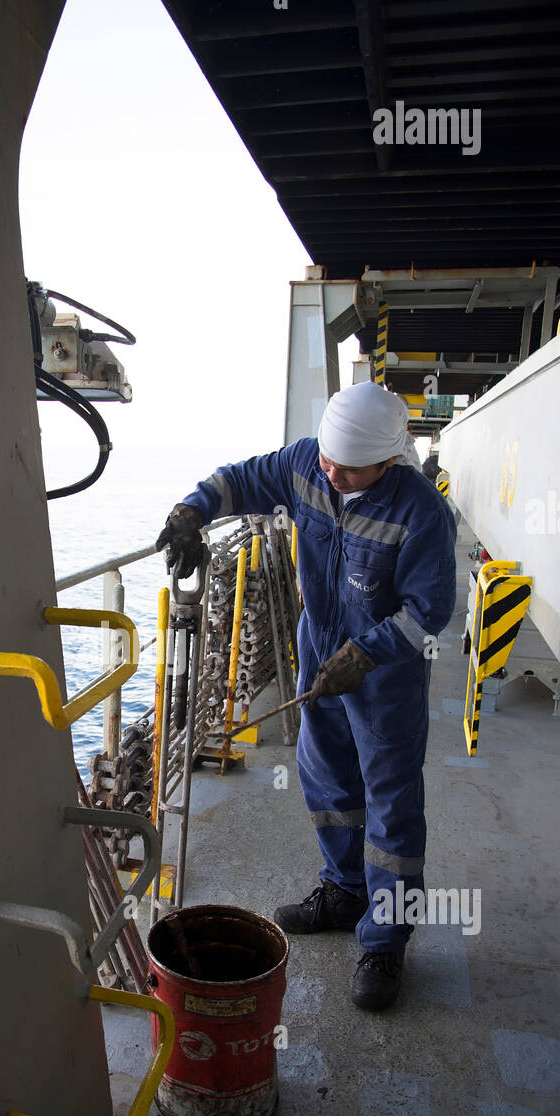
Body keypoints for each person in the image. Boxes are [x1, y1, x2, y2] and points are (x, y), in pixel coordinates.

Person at [156, 381, 457, 1010]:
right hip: (319, 648)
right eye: (327, 459)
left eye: (348, 469)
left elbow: (428, 611)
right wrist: (190, 511)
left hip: (385, 674)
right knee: (325, 782)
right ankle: (344, 891)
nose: (331, 472)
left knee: (392, 805)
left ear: (390, 461)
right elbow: (237, 480)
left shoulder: (421, 511)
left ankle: (385, 941)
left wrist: (368, 653)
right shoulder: (306, 464)